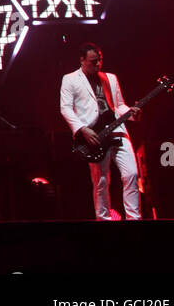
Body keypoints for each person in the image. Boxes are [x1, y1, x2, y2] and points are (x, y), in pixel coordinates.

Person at [59, 42, 140, 221]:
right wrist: (82, 129)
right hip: (94, 135)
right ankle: (103, 220)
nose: (97, 65)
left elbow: (118, 105)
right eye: (93, 61)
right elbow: (65, 108)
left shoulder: (110, 78)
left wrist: (132, 114)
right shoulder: (70, 79)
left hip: (117, 130)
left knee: (132, 174)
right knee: (102, 181)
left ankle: (135, 220)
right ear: (82, 60)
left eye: (99, 61)